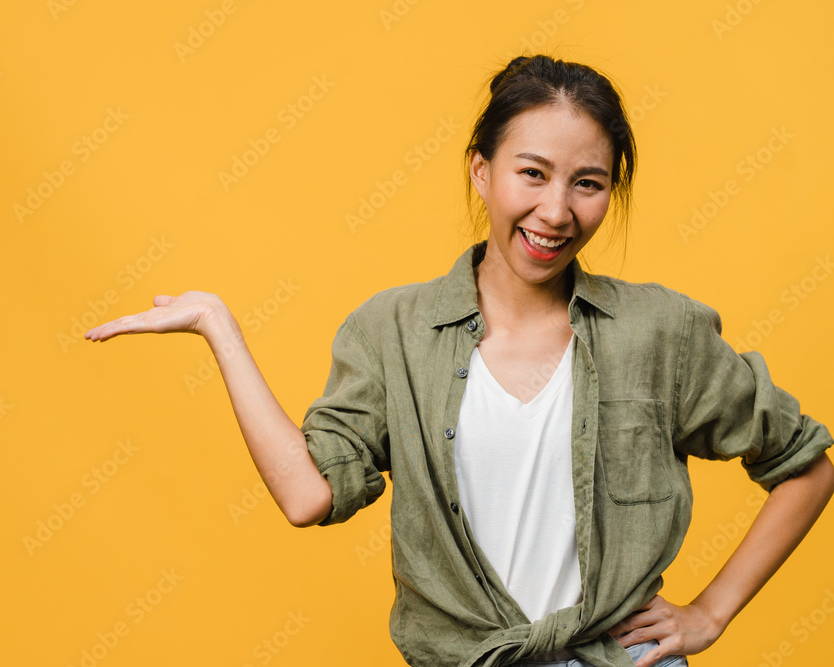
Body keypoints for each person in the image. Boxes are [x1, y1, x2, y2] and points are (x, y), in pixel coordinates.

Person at [83, 55, 834, 667]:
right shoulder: (393, 330)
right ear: (482, 171)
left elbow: (807, 461)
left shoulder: (657, 330)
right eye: (531, 173)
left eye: (589, 183)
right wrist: (220, 326)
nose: (556, 212)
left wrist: (711, 611)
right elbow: (308, 496)